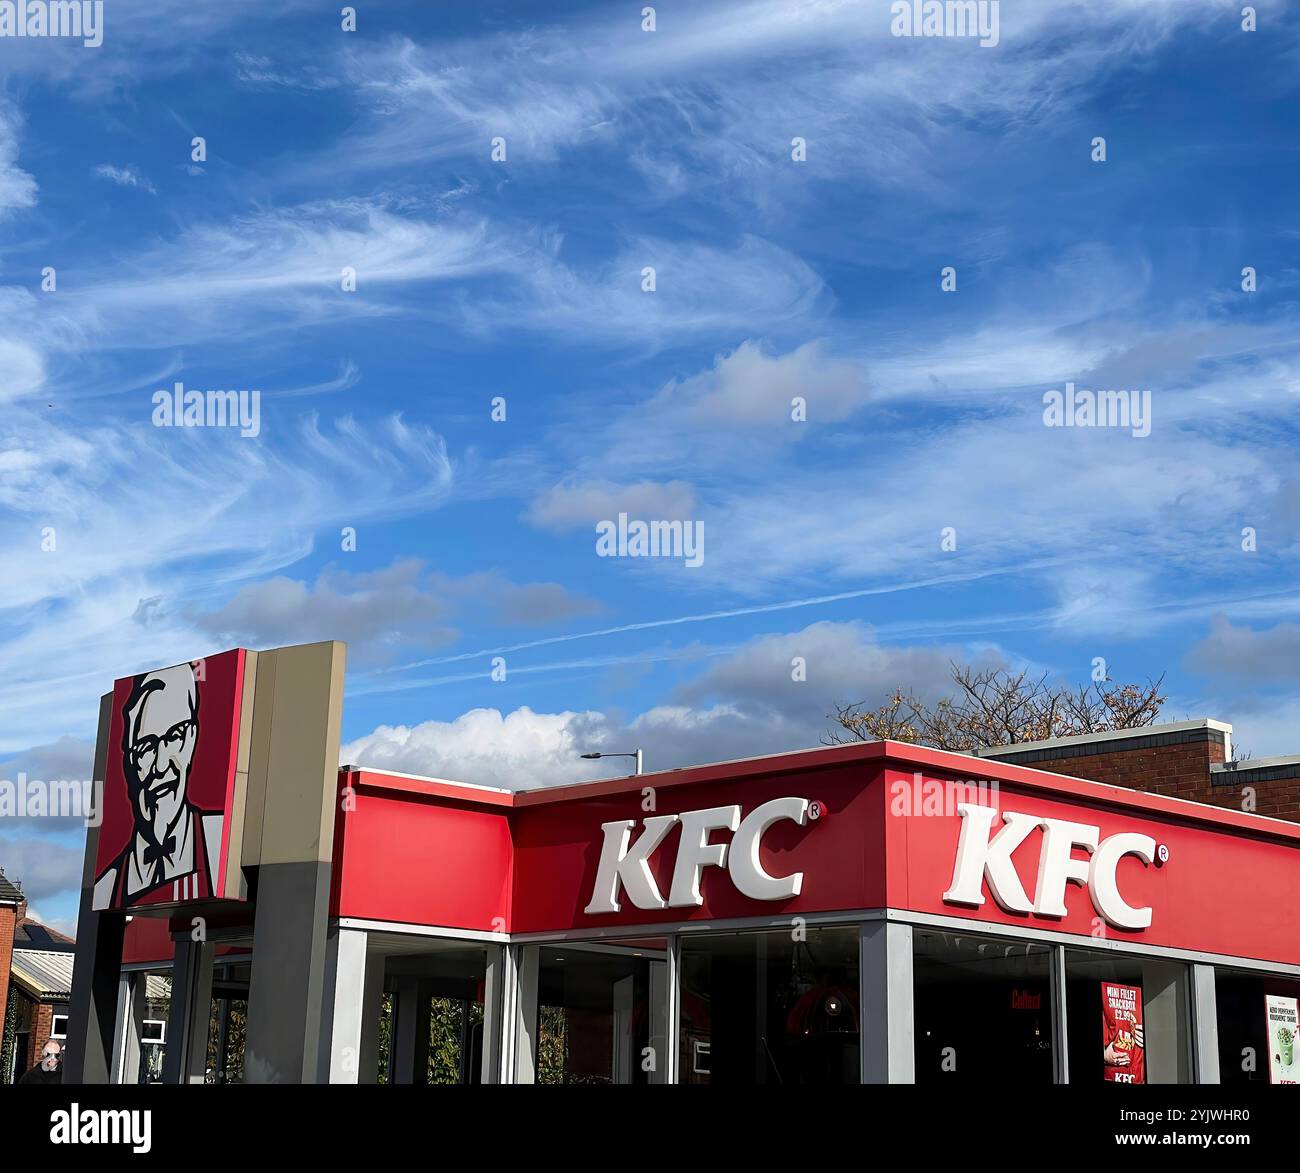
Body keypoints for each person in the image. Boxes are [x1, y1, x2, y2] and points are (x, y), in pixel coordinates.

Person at [93, 662, 223, 909]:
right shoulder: (105, 887)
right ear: (130, 761)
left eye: (175, 736)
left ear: (192, 738)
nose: (161, 765)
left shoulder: (220, 848)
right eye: (147, 747)